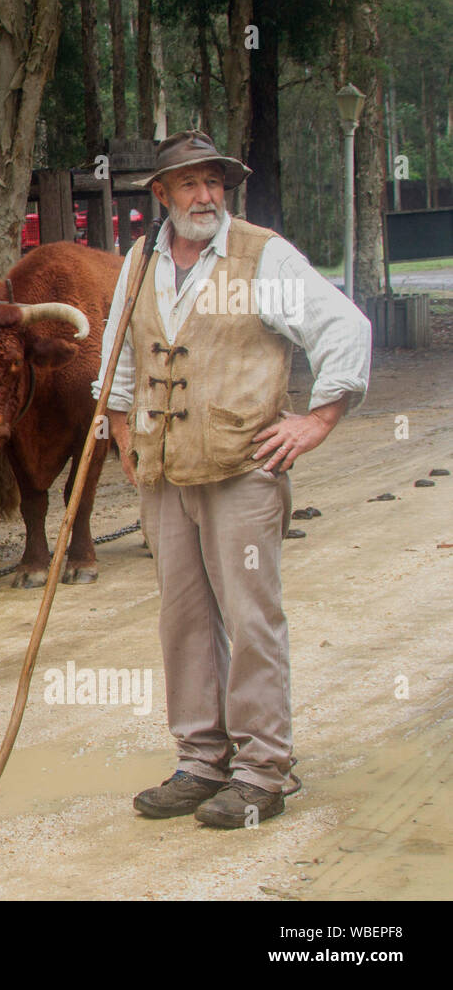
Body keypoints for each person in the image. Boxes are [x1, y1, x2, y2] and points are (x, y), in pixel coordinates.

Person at [91, 129, 372, 828]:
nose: (206, 194)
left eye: (214, 180)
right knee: (183, 620)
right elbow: (119, 354)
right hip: (164, 473)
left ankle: (263, 768)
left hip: (244, 470)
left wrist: (316, 420)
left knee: (251, 618)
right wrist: (122, 432)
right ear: (161, 194)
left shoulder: (262, 254)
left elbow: (345, 326)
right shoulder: (141, 260)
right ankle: (200, 760)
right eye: (189, 182)